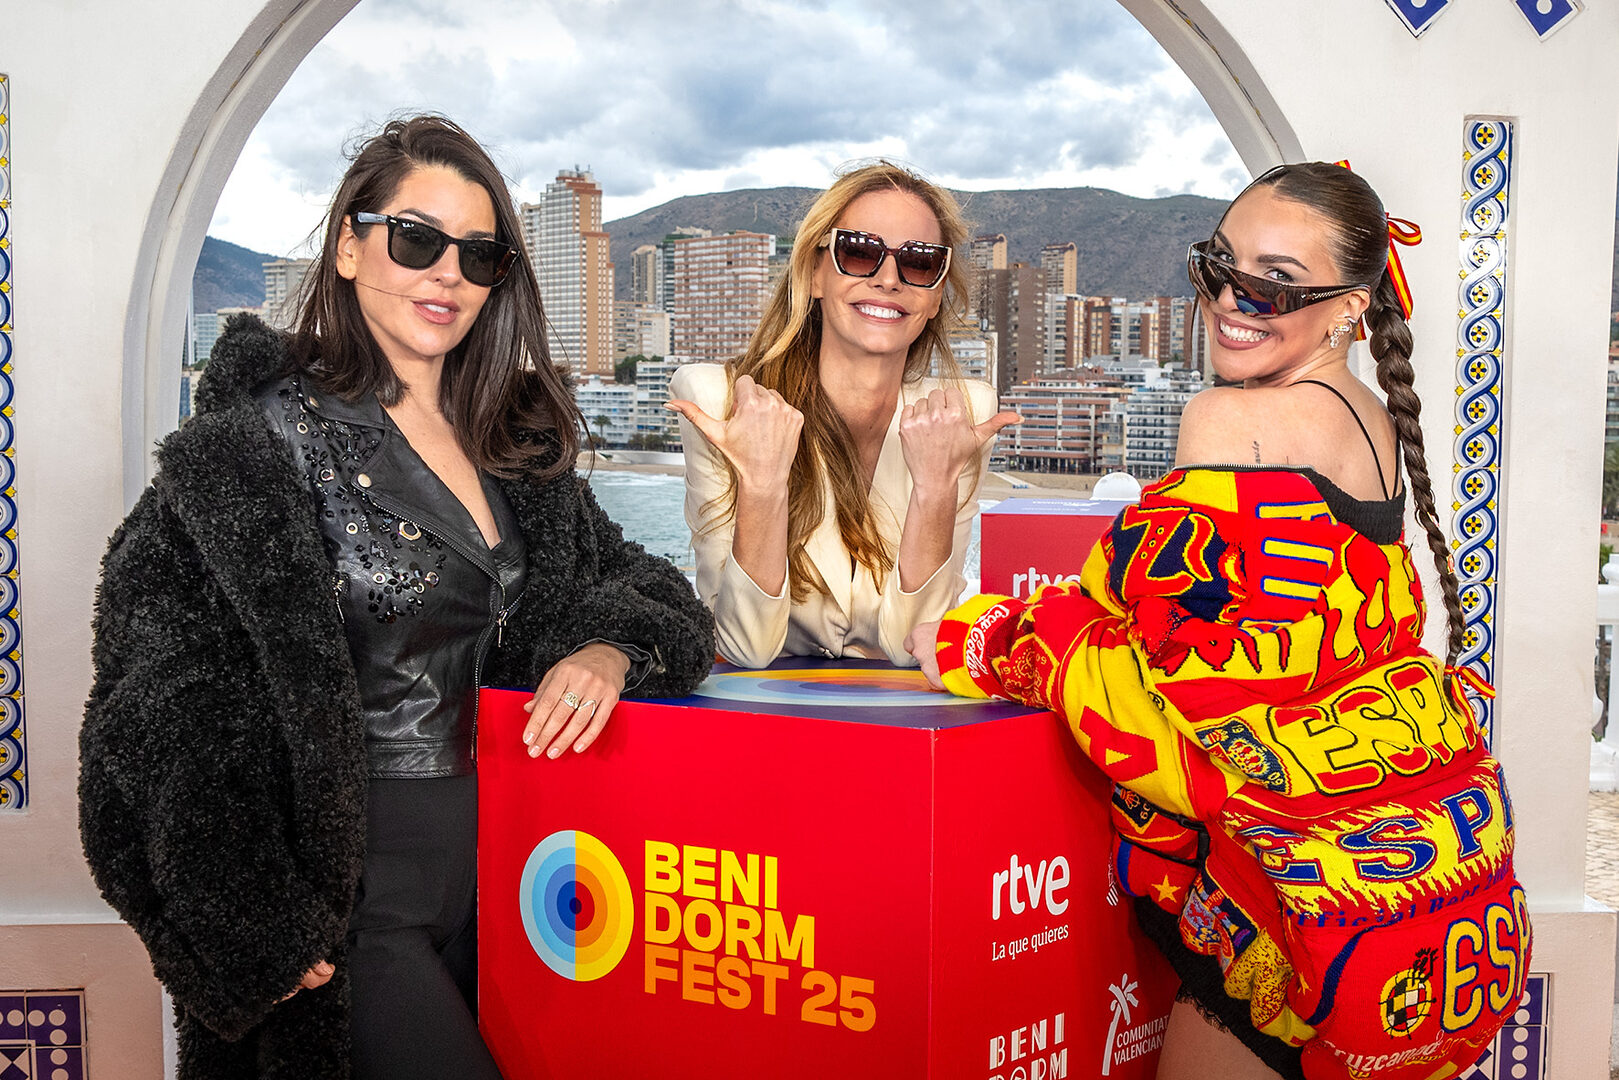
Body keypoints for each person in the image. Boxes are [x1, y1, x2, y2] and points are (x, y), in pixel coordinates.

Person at [78, 115, 715, 1080]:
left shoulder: (513, 442)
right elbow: (153, 703)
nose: (446, 274)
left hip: (520, 875)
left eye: (479, 254)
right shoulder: (250, 450)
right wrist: (250, 915)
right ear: (349, 244)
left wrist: (609, 649)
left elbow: (644, 584)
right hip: (355, 896)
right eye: (416, 239)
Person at [907, 163, 1527, 1080]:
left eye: (1274, 283)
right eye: (1219, 266)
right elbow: (1315, 641)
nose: (1232, 301)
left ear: (1350, 308)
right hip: (1419, 909)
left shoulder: (1231, 420)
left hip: (1285, 918)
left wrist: (986, 641)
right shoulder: (1366, 415)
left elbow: (1178, 688)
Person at [666, 161, 1018, 668]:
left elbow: (913, 644)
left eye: (919, 262)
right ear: (814, 272)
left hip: (898, 722)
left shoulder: (961, 415)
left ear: (936, 293)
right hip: (763, 719)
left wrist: (936, 488)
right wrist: (763, 483)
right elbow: (744, 646)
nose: (889, 279)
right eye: (860, 251)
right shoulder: (720, 401)